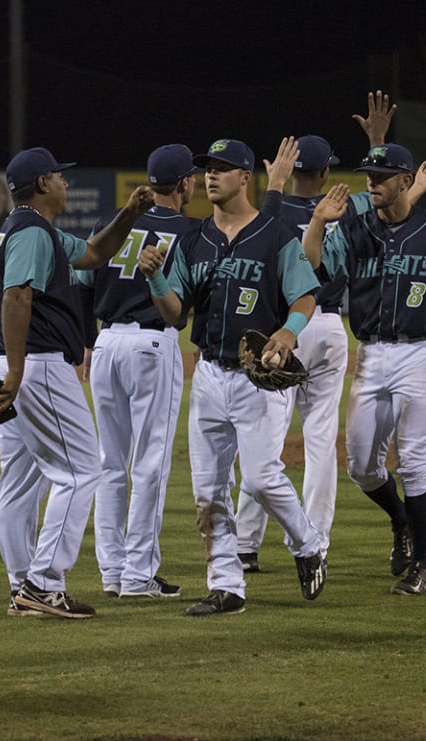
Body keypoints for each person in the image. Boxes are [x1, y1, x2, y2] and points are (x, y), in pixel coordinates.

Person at [137, 138, 328, 617]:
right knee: (208, 490)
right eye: (207, 168)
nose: (211, 175)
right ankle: (226, 585)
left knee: (262, 478)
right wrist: (157, 280)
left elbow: (305, 296)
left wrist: (289, 330)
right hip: (208, 375)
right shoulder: (193, 238)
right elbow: (175, 314)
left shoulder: (275, 234)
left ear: (246, 178)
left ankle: (307, 545)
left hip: (257, 377)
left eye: (223, 168)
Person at [305, 143, 426, 595]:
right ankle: (403, 520)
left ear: (406, 181)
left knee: (414, 462)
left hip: (422, 353)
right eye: (369, 174)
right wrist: (318, 222)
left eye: (382, 176)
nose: (372, 182)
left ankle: (421, 566)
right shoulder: (353, 228)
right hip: (370, 355)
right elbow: (312, 266)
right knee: (362, 467)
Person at [0, 147, 155, 619]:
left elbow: (96, 253)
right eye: (59, 176)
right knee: (81, 471)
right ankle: (43, 583)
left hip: (4, 362)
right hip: (34, 365)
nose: (65, 182)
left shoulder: (24, 229)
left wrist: (130, 213)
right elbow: (17, 298)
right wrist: (18, 373)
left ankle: (24, 585)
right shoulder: (34, 232)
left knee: (19, 481)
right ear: (42, 184)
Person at [234, 92, 398, 571]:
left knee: (265, 436)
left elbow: (253, 239)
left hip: (284, 326)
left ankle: (246, 545)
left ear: (289, 169)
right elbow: (386, 192)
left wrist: (274, 184)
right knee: (322, 440)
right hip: (327, 324)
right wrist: (378, 141)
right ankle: (316, 542)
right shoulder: (346, 206)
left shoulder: (273, 213)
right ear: (326, 173)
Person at [78, 144, 200, 600]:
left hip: (107, 342)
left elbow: (82, 287)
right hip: (153, 342)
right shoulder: (189, 231)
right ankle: (137, 576)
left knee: (111, 464)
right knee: (149, 465)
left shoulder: (112, 222)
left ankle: (112, 573)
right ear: (185, 183)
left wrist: (90, 343)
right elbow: (182, 306)